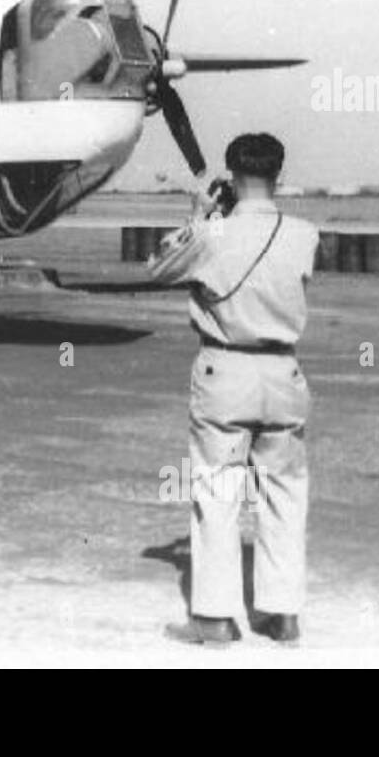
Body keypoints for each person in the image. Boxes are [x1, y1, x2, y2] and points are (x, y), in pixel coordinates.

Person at [147, 133, 320, 645]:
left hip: (225, 372)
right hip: (283, 372)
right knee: (285, 492)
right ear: (279, 176)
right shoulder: (305, 233)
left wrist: (201, 216)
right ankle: (282, 612)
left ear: (230, 175)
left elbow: (158, 268)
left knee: (217, 493)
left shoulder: (213, 233)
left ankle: (215, 617)